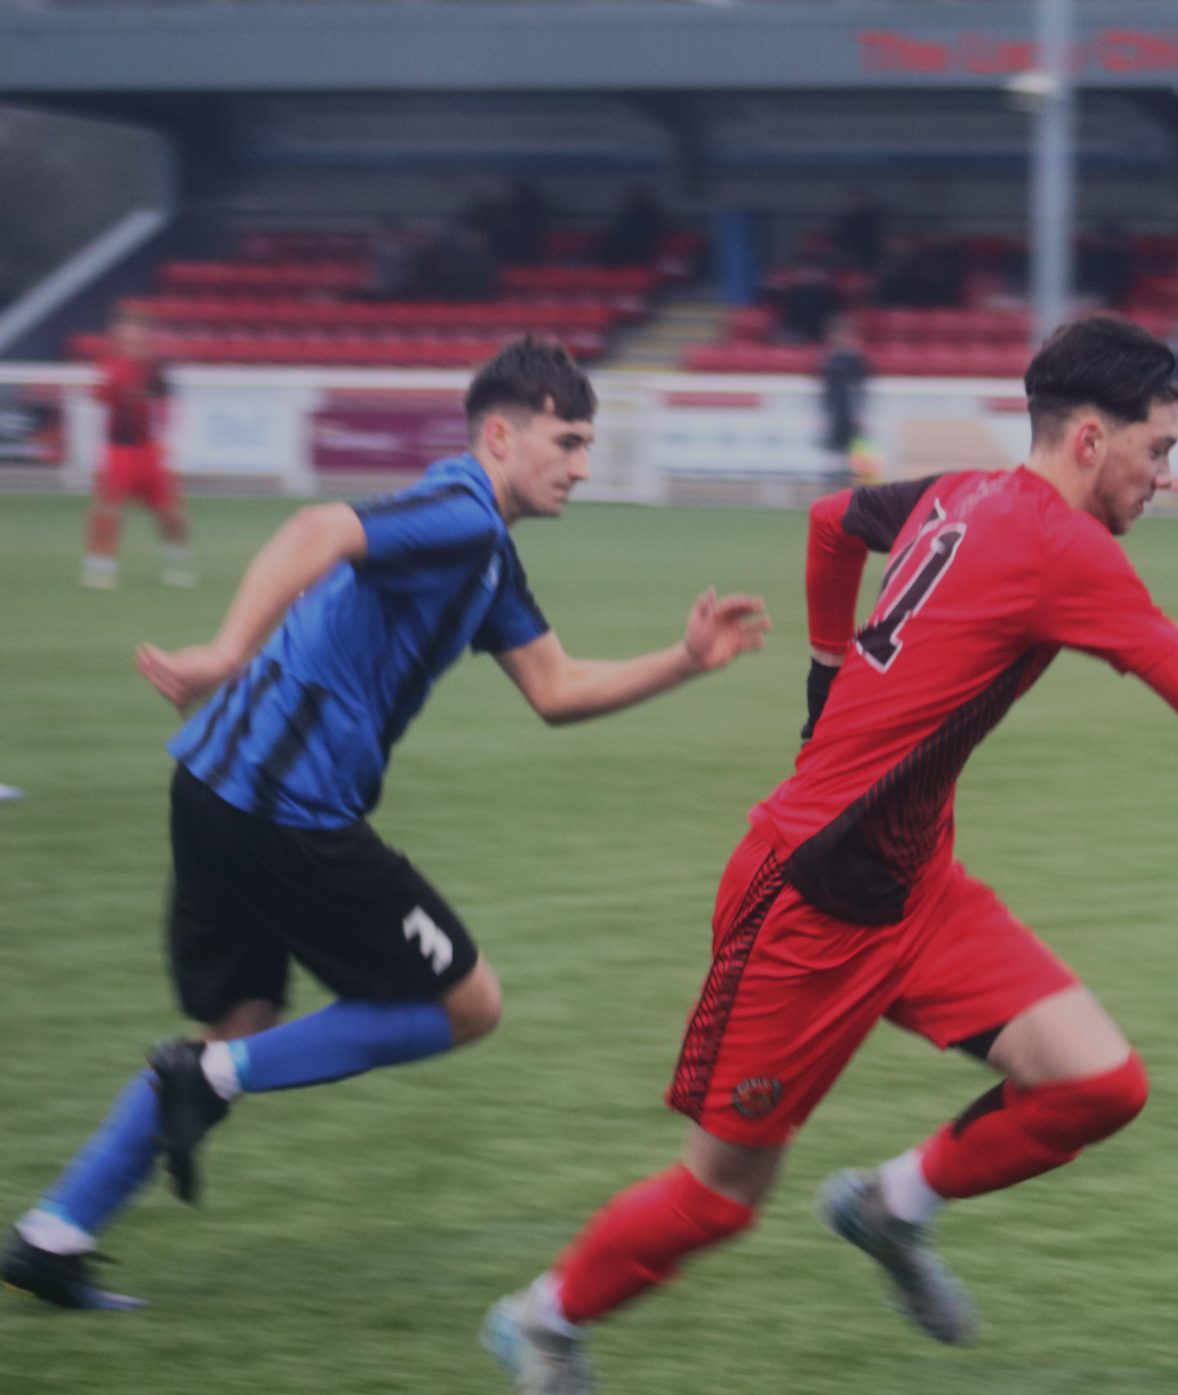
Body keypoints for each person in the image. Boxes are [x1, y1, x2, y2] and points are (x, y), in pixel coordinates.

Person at [482, 317, 1178, 1395]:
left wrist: (827, 664)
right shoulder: (1066, 548)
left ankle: (890, 1207)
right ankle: (545, 1322)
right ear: (1091, 440)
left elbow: (831, 524)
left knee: (1099, 1085)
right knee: (720, 1196)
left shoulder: (962, 492)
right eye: (1159, 451)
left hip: (916, 890)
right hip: (805, 905)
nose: (1166, 477)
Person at [2, 337, 771, 1312]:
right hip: (283, 806)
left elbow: (556, 687)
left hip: (212, 788)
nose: (582, 466)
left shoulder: (486, 555)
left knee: (240, 1018)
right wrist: (225, 652)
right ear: (501, 436)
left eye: (588, 444)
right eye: (568, 442)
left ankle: (54, 1234)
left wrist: (684, 661)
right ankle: (212, 1077)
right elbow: (317, 527)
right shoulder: (461, 511)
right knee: (467, 1002)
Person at [82, 308, 190, 590]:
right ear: (118, 335)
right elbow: (99, 398)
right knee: (108, 508)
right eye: (127, 332)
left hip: (149, 449)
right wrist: (119, 386)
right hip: (119, 448)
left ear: (146, 335)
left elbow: (166, 403)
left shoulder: (155, 367)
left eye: (138, 332)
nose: (133, 337)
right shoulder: (110, 366)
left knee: (169, 512)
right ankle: (99, 567)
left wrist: (167, 437)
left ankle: (178, 561)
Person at [817, 314, 883, 483]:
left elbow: (861, 389)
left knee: (855, 448)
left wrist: (862, 413)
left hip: (851, 411)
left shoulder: (857, 360)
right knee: (834, 449)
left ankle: (859, 481)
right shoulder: (828, 359)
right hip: (835, 411)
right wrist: (823, 414)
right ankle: (834, 480)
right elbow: (825, 391)